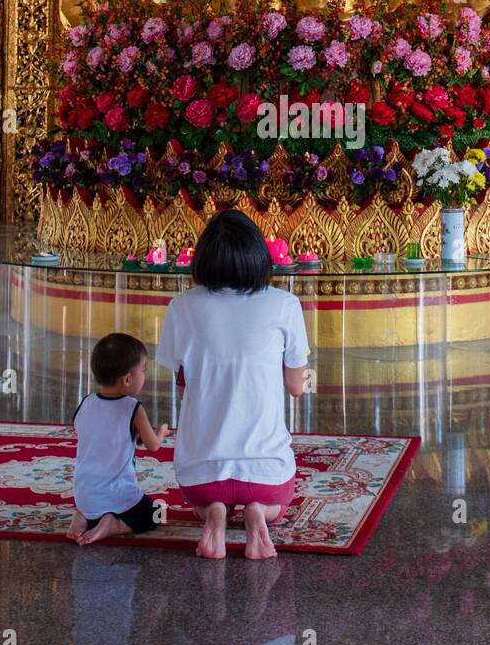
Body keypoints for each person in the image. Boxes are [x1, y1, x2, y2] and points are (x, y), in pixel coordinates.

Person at [156, 210, 310, 561]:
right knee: (278, 505)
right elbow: (297, 387)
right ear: (258, 256)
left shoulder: (181, 307)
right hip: (266, 471)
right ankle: (259, 512)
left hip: (200, 474)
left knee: (202, 502)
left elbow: (183, 384)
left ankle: (213, 513)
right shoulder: (285, 305)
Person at [67, 332, 169, 545]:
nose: (144, 375)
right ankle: (113, 525)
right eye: (143, 370)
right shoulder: (133, 408)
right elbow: (154, 446)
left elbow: (102, 434)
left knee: (95, 504)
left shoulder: (87, 402)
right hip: (115, 494)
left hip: (83, 493)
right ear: (127, 379)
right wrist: (162, 431)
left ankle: (83, 516)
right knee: (158, 513)